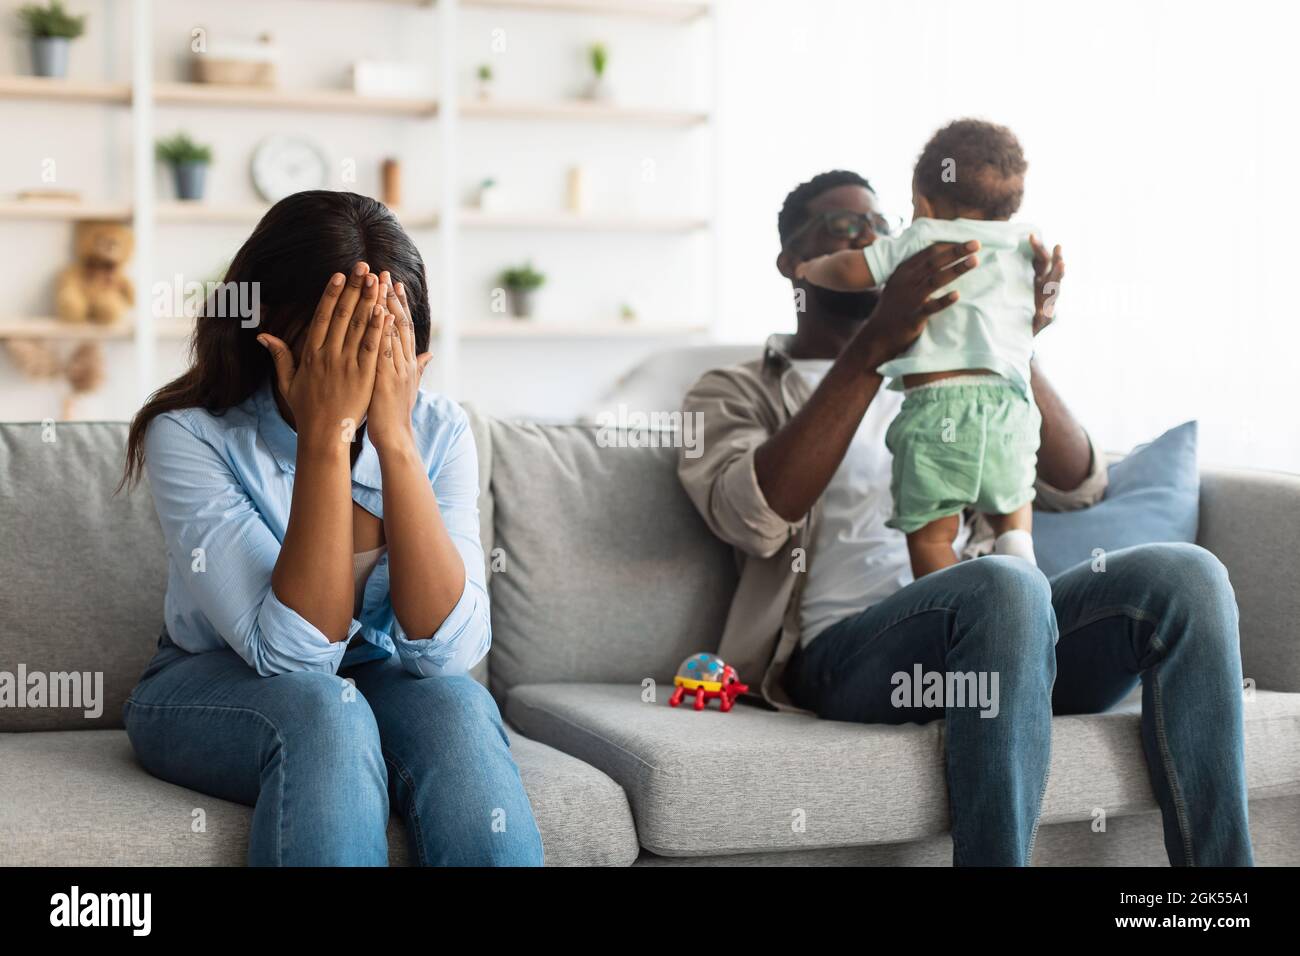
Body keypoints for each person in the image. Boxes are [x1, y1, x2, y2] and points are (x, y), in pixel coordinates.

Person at [677, 169, 1252, 866]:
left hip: (1007, 639)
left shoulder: (959, 366)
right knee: (1004, 584)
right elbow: (753, 516)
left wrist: (1008, 335)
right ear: (792, 264)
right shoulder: (731, 391)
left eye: (882, 225)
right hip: (852, 656)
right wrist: (873, 347)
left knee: (1186, 575)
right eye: (842, 228)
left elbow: (1077, 486)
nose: (872, 237)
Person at [119, 191, 543, 867]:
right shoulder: (191, 436)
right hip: (209, 682)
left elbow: (445, 651)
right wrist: (325, 437)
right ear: (272, 337)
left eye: (378, 346)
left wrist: (396, 442)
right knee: (326, 710)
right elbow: (293, 659)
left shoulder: (438, 429)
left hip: (371, 674)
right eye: (336, 348)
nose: (362, 370)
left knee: (459, 707)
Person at [797, 119, 1042, 577]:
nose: (872, 236)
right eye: (844, 224)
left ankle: (952, 601)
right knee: (1014, 501)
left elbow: (853, 271)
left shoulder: (925, 238)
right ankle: (1018, 549)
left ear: (924, 202)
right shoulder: (1026, 247)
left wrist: (812, 269)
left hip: (939, 407)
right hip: (1012, 407)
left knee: (932, 532)